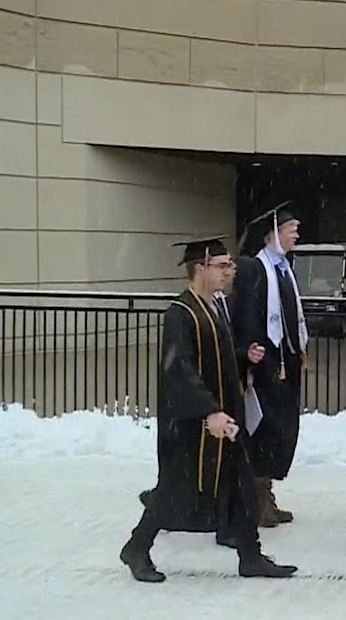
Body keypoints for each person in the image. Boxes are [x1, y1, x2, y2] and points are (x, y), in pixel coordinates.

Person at [119, 237, 297, 583]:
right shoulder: (181, 313)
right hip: (192, 425)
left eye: (230, 265)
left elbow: (219, 358)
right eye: (222, 265)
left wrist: (244, 358)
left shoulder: (215, 306)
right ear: (200, 267)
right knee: (173, 492)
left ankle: (250, 556)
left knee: (242, 486)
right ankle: (137, 548)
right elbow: (180, 370)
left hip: (224, 419)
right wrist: (208, 410)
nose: (229, 272)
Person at [231, 202, 308, 527]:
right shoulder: (256, 269)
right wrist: (247, 361)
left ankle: (266, 492)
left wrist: (299, 345)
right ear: (274, 233)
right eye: (291, 230)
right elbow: (247, 314)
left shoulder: (284, 268)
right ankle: (256, 498)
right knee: (263, 429)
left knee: (280, 429)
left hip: (285, 361)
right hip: (264, 362)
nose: (296, 235)